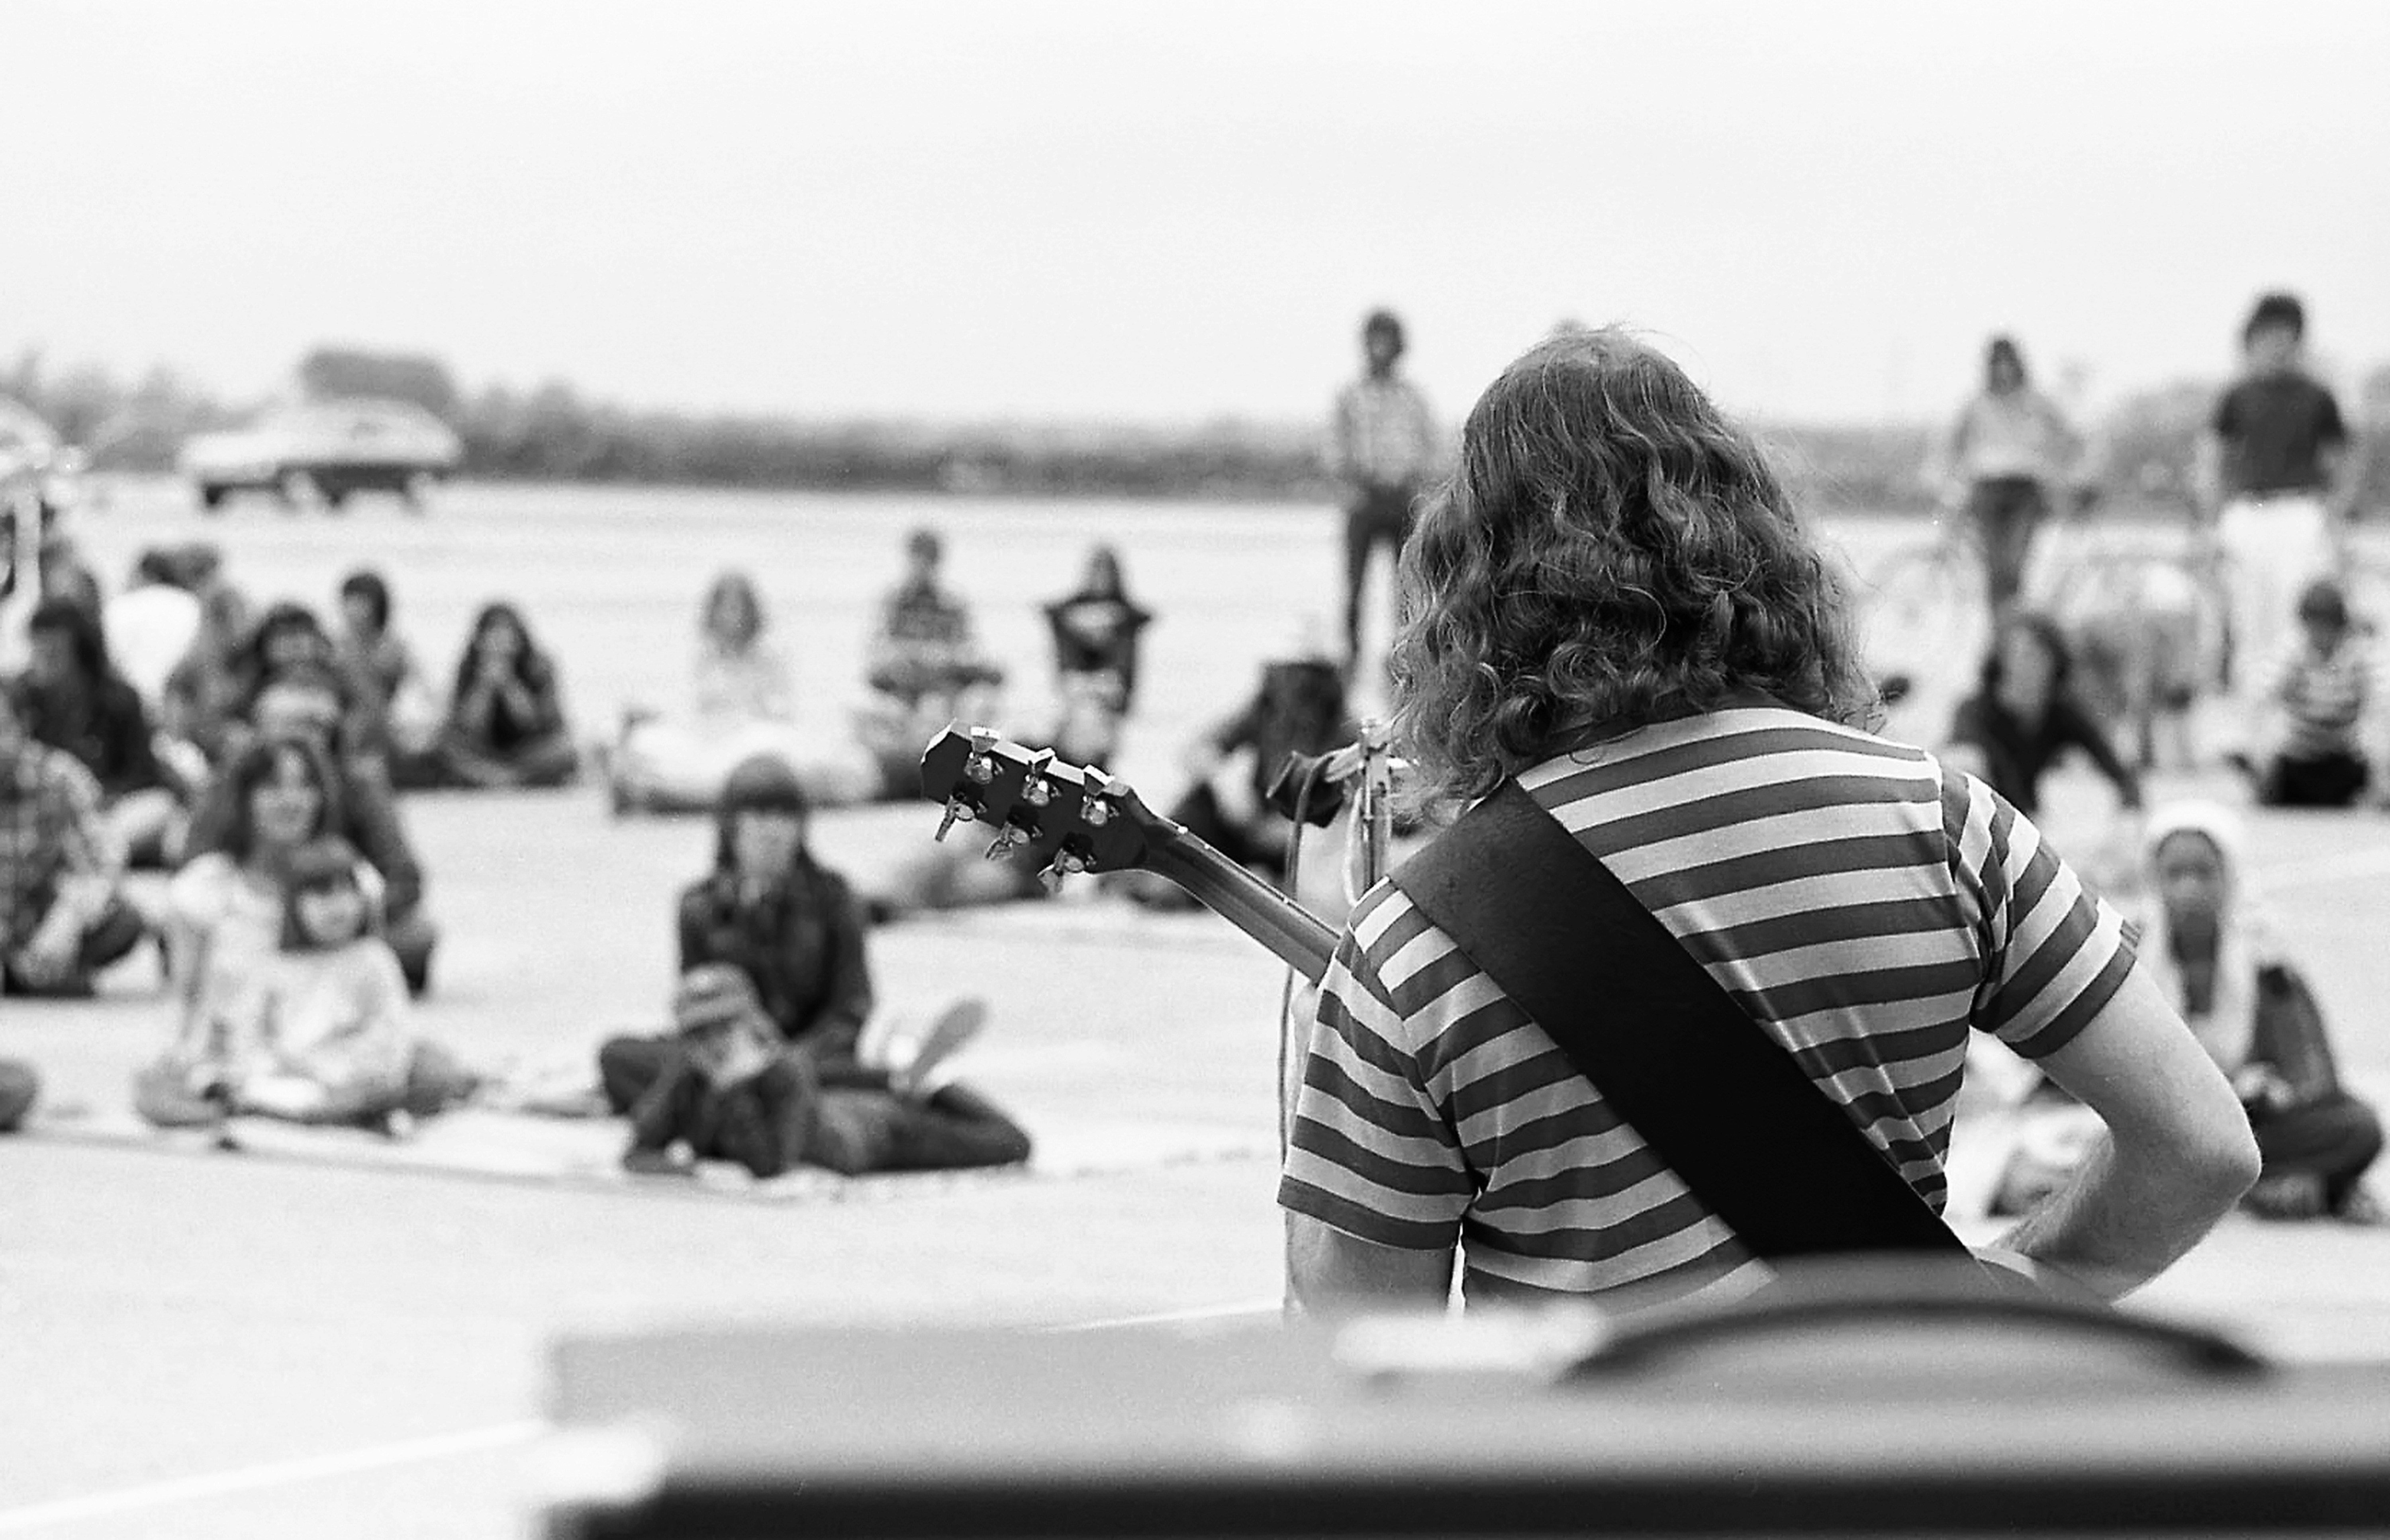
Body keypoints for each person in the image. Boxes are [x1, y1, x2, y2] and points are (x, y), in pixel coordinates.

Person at [1277, 327, 2259, 1312]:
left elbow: (1356, 1349)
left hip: (1591, 1463)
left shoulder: (1412, 942)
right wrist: (2020, 1282)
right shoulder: (1950, 824)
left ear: (1466, 595)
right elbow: (2201, 1143)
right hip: (1878, 1451)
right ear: (1755, 543)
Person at [596, 754, 995, 1115]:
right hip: (730, 1058)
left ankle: (740, 1105)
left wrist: (790, 1059)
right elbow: (695, 1004)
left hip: (813, 1057)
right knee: (621, 1056)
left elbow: (851, 1006)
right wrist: (733, 1054)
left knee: (848, 1076)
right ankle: (743, 1101)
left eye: (785, 819)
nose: (773, 833)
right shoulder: (698, 907)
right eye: (759, 818)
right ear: (732, 828)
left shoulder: (834, 899)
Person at [2132, 802, 2382, 1220]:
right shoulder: (2129, 954)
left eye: (2203, 873)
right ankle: (2264, 1187)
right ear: (2156, 880)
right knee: (2069, 1145)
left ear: (2228, 878)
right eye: (2176, 874)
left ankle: (2237, 1184)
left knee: (2360, 1128)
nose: (2189, 889)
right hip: (2157, 1126)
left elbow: (2313, 1068)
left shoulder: (2266, 961)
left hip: (2249, 1128)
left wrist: (2263, 1090)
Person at [619, 963, 1032, 1180]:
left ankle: (931, 1083)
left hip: (872, 1136)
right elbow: (637, 1149)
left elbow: (770, 1166)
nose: (714, 1044)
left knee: (1010, 1143)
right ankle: (894, 1070)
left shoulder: (784, 1074)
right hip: (835, 1103)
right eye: (700, 1034)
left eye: (725, 1028)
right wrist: (681, 1166)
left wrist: (736, 1090)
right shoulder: (689, 1070)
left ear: (750, 1023)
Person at [181, 665, 442, 995]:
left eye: (314, 725)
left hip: (334, 917)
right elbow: (193, 865)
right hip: (240, 913)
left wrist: (339, 911)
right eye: (285, 725)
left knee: (416, 934)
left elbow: (404, 876)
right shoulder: (231, 783)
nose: (300, 737)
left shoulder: (359, 781)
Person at [2198, 293, 2354, 727]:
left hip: (2299, 512)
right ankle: (2249, 728)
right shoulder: (2238, 397)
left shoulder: (2318, 397)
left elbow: (2340, 463)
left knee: (2294, 619)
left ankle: (2294, 724)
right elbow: (2214, 461)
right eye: (2268, 336)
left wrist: (2337, 524)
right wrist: (2211, 527)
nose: (2277, 345)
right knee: (2249, 621)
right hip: (2250, 512)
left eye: (2285, 335)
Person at [190, 836, 422, 1127]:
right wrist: (269, 1066)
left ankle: (313, 1111)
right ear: (293, 904)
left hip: (349, 1077)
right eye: (322, 894)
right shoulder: (277, 964)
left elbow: (389, 1035)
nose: (338, 907)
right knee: (205, 1080)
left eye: (347, 892)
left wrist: (327, 1070)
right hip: (285, 1078)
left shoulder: (373, 960)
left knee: (403, 1082)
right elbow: (250, 1034)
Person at [605, 569, 825, 813]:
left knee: (768, 748)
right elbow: (684, 709)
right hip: (705, 744)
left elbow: (779, 714)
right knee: (644, 740)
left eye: (738, 609)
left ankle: (671, 795)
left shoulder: (771, 657)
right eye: (726, 609)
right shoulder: (702, 656)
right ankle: (658, 789)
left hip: (749, 741)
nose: (732, 617)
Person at [0, 679, 147, 996]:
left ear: (23, 727)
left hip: (37, 927)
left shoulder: (60, 777)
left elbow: (104, 861)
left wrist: (67, 919)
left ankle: (39, 973)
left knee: (124, 921)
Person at [1928, 335, 2086, 622]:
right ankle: (2002, 634)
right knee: (1995, 568)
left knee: (2014, 565)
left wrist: (2062, 477)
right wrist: (1949, 485)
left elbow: (2069, 440)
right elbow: (1951, 446)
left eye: (2008, 363)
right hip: (1988, 489)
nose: (2004, 370)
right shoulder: (1977, 404)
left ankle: (2013, 628)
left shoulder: (2037, 403)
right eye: (1998, 364)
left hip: (2025, 490)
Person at [17, 595, 182, 863]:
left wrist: (103, 795)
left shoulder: (120, 699)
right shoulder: (21, 699)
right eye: (39, 650)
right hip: (41, 810)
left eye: (54, 653)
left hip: (107, 810)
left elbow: (143, 774)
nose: (43, 660)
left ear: (80, 652)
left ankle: (97, 858)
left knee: (158, 806)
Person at [1944, 611, 2144, 820]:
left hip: (2022, 814)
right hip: (1974, 815)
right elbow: (1986, 764)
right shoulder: (1974, 710)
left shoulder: (2059, 712)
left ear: (2054, 661)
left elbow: (2107, 756)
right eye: (2016, 655)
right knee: (1965, 759)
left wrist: (2130, 803)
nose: (2025, 665)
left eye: (2035, 655)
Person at [1329, 309, 1438, 673]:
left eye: (1387, 341)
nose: (1381, 349)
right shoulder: (1350, 396)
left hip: (1402, 500)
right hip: (1363, 501)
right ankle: (1352, 656)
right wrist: (1355, 479)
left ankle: (1402, 654)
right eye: (1376, 341)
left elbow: (1428, 446)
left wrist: (1412, 479)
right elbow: (1335, 448)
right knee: (1354, 586)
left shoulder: (1412, 398)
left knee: (1405, 584)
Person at [402, 600, 580, 789]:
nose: (499, 643)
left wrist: (508, 684)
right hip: (485, 754)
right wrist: (485, 686)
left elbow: (534, 725)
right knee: (443, 748)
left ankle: (507, 779)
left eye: (506, 637)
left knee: (565, 750)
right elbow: (467, 727)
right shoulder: (469, 666)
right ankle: (502, 778)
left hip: (528, 751)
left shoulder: (538, 665)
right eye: (493, 636)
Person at [2248, 578, 2378, 808]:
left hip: (2343, 759)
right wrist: (2258, 752)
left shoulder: (2357, 657)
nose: (2321, 633)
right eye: (2315, 625)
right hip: (2299, 759)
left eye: (2327, 625)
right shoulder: (2293, 654)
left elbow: (2381, 705)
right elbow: (2262, 700)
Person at [1041, 543, 1154, 766]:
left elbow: (1119, 682)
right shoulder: (1067, 620)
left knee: (1091, 718)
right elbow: (1068, 679)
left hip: (1105, 708)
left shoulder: (1126, 625)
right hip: (1079, 707)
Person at [334, 569, 440, 762]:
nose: (353, 609)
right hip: (349, 724)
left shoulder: (394, 647)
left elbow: (423, 690)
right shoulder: (337, 647)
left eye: (361, 603)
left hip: (385, 723)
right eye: (349, 601)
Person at [104, 550, 204, 714]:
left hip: (133, 702)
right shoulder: (194, 605)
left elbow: (109, 656)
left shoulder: (124, 606)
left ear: (144, 574)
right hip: (180, 705)